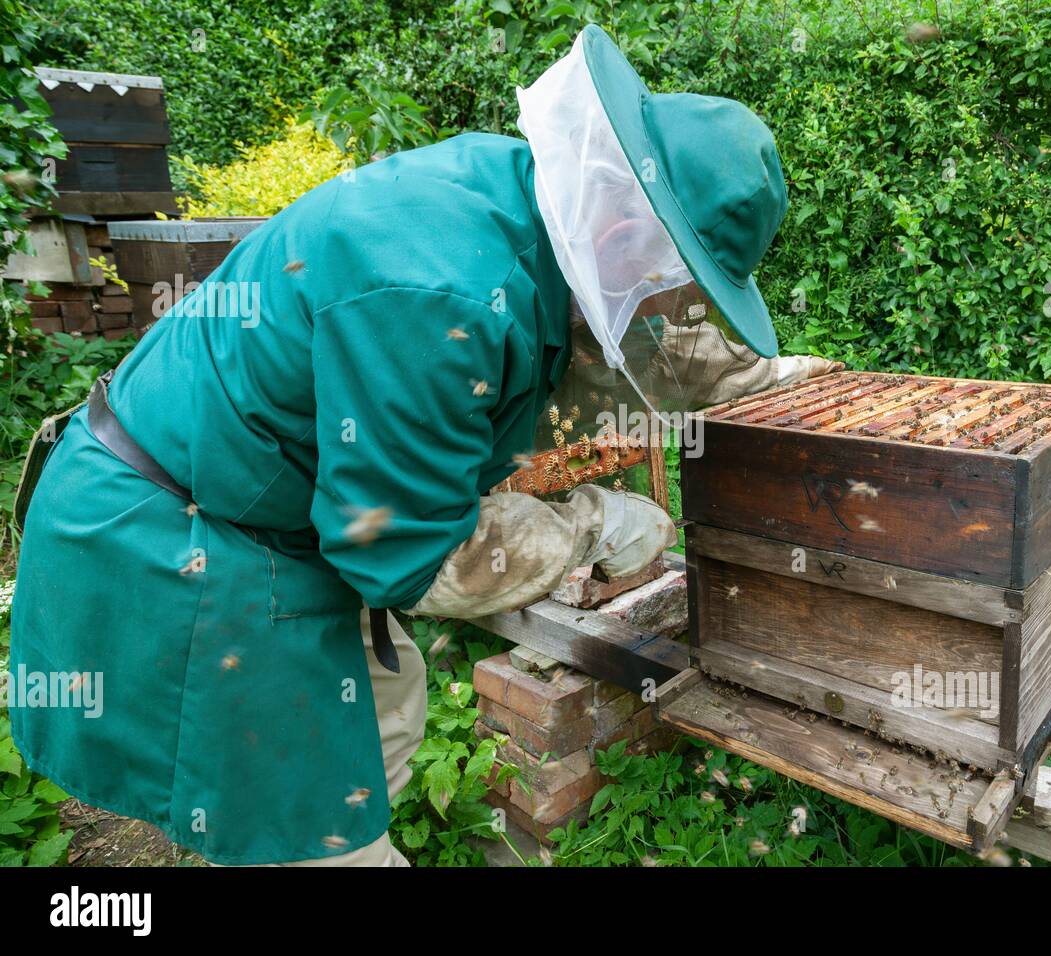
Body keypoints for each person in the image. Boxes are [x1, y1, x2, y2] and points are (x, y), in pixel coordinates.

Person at [9, 25, 838, 866]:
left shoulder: (519, 206)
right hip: (175, 545)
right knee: (309, 833)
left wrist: (801, 382)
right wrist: (595, 523)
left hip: (272, 513)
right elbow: (413, 557)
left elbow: (654, 340)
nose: (674, 307)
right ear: (632, 241)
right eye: (683, 281)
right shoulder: (436, 293)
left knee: (393, 706)